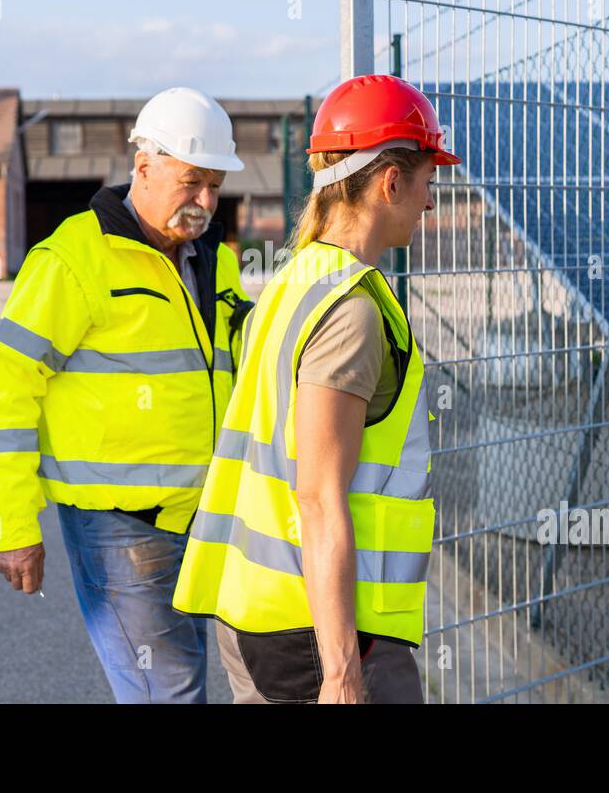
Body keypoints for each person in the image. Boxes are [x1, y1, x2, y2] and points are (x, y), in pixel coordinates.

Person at [173, 74, 461, 703]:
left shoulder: (292, 278)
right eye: (427, 182)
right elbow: (319, 496)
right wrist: (341, 670)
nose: (431, 203)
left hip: (256, 605)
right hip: (316, 625)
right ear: (390, 182)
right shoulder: (351, 310)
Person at [0, 86, 252, 703]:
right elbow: (7, 383)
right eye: (191, 182)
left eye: (215, 185)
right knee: (170, 692)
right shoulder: (73, 259)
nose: (205, 202)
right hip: (121, 530)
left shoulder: (214, 262)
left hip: (211, 515)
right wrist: (14, 522)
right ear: (145, 166)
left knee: (218, 679)